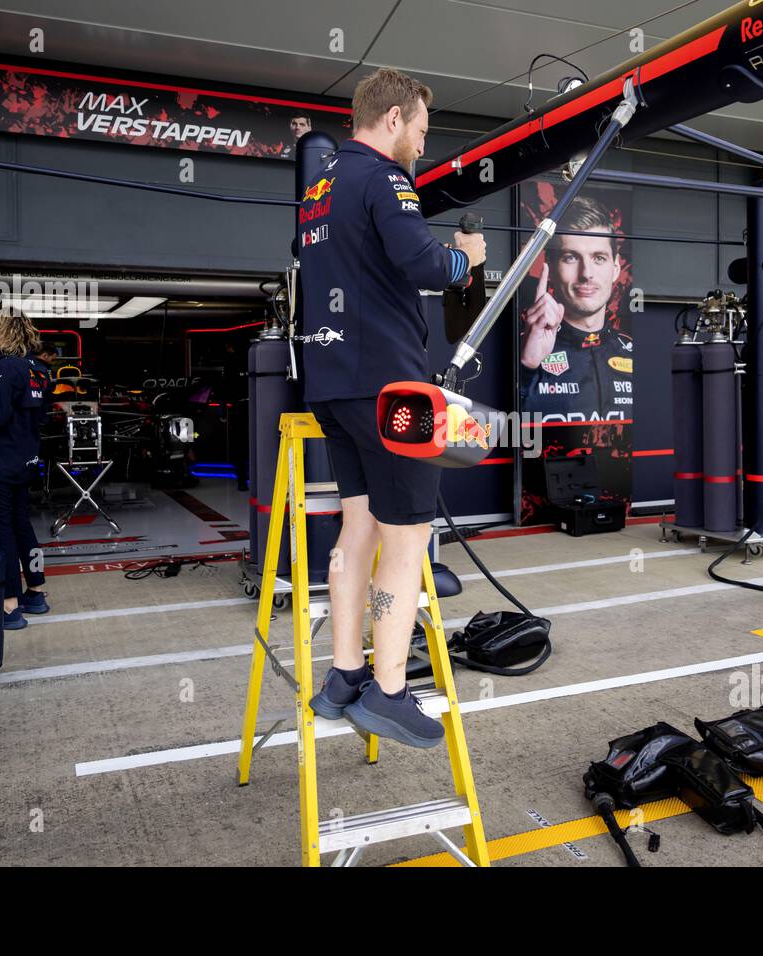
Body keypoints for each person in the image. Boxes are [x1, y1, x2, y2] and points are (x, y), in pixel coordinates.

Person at [297, 67, 485, 748]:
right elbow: (425, 267)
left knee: (356, 533)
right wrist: (465, 256)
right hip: (390, 389)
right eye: (422, 132)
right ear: (396, 117)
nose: (422, 149)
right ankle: (390, 690)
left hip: (331, 384)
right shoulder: (384, 178)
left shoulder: (318, 190)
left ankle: (344, 676)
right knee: (407, 542)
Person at [519, 196, 633, 419]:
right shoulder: (522, 349)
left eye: (599, 258)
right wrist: (526, 368)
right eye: (571, 257)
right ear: (550, 267)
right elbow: (496, 436)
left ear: (616, 268)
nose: (586, 274)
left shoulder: (634, 352)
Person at [0, 311, 51, 629]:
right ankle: (35, 591)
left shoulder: (3, 367)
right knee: (23, 525)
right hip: (27, 459)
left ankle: (9, 605)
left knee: (1, 530)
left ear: (4, 332)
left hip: (2, 461)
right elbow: (42, 416)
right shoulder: (39, 369)